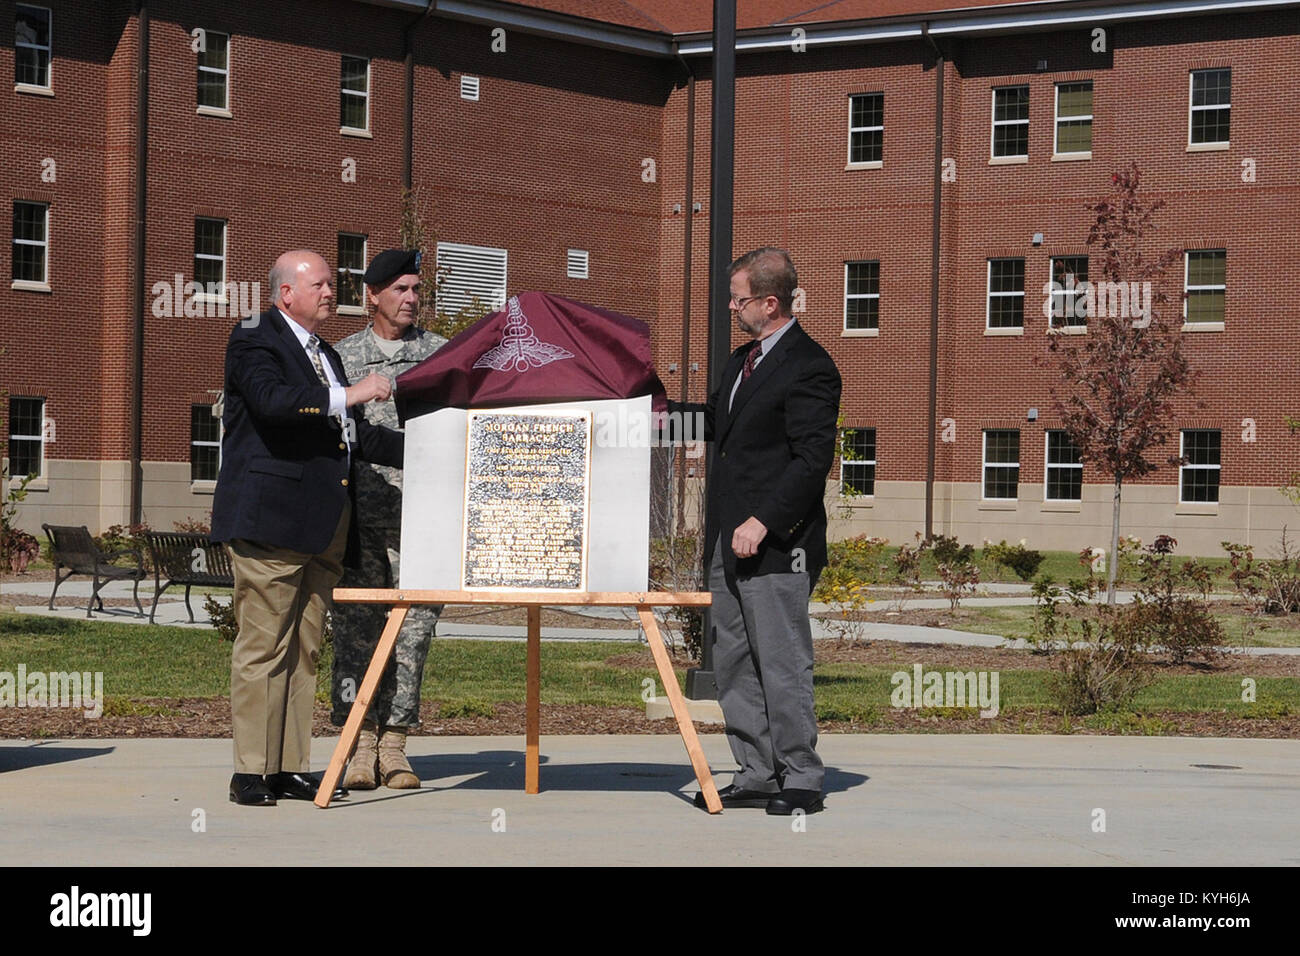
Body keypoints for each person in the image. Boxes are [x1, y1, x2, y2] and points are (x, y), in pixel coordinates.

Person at [212, 249, 404, 807]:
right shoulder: (254, 336)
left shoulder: (326, 355)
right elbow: (274, 403)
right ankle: (249, 771)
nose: (330, 291)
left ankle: (287, 767)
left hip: (324, 528)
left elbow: (357, 436)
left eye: (331, 283)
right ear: (286, 292)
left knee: (304, 650)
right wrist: (354, 393)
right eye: (320, 283)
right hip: (272, 520)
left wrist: (434, 448)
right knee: (263, 647)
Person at [674, 247, 841, 814]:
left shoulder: (811, 366)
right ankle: (757, 773)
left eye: (738, 298)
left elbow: (812, 460)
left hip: (779, 546)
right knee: (735, 661)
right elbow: (713, 422)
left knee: (781, 659)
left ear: (770, 303)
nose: (731, 306)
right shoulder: (741, 362)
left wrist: (765, 520)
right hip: (728, 540)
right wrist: (643, 406)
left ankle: (800, 777)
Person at [330, 249, 447, 789]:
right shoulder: (340, 359)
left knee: (413, 634)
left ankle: (396, 743)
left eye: (416, 289)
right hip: (358, 523)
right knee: (357, 633)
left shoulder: (440, 358)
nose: (411, 298)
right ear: (371, 295)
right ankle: (359, 743)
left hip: (421, 523)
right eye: (399, 289)